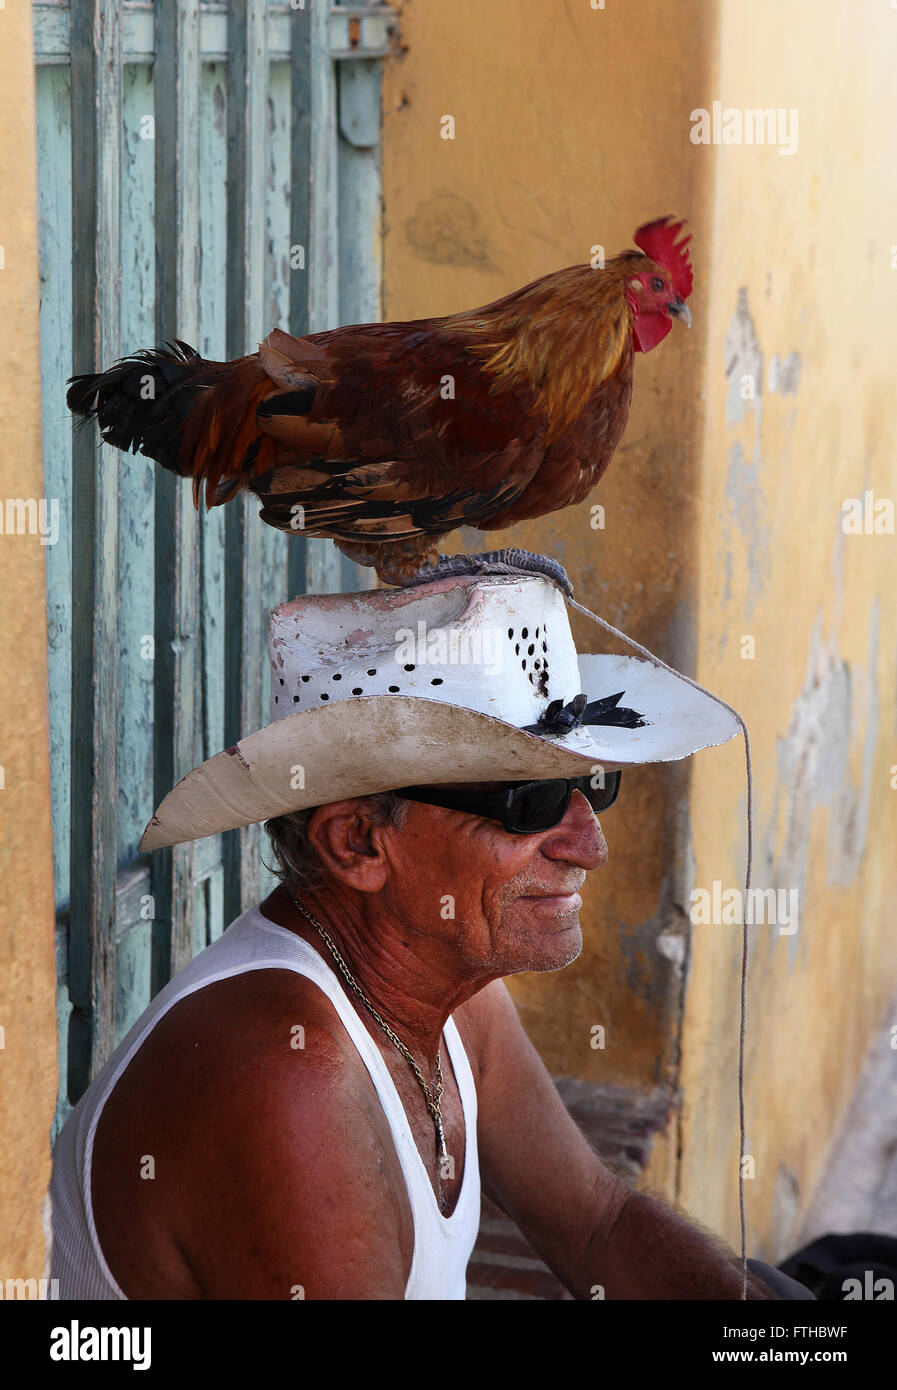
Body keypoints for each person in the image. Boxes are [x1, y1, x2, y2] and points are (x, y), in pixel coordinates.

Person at [49, 572, 813, 1299]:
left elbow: (594, 1226)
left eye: (592, 786)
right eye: (530, 801)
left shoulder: (439, 979)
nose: (588, 845)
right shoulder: (283, 1074)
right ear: (357, 843)